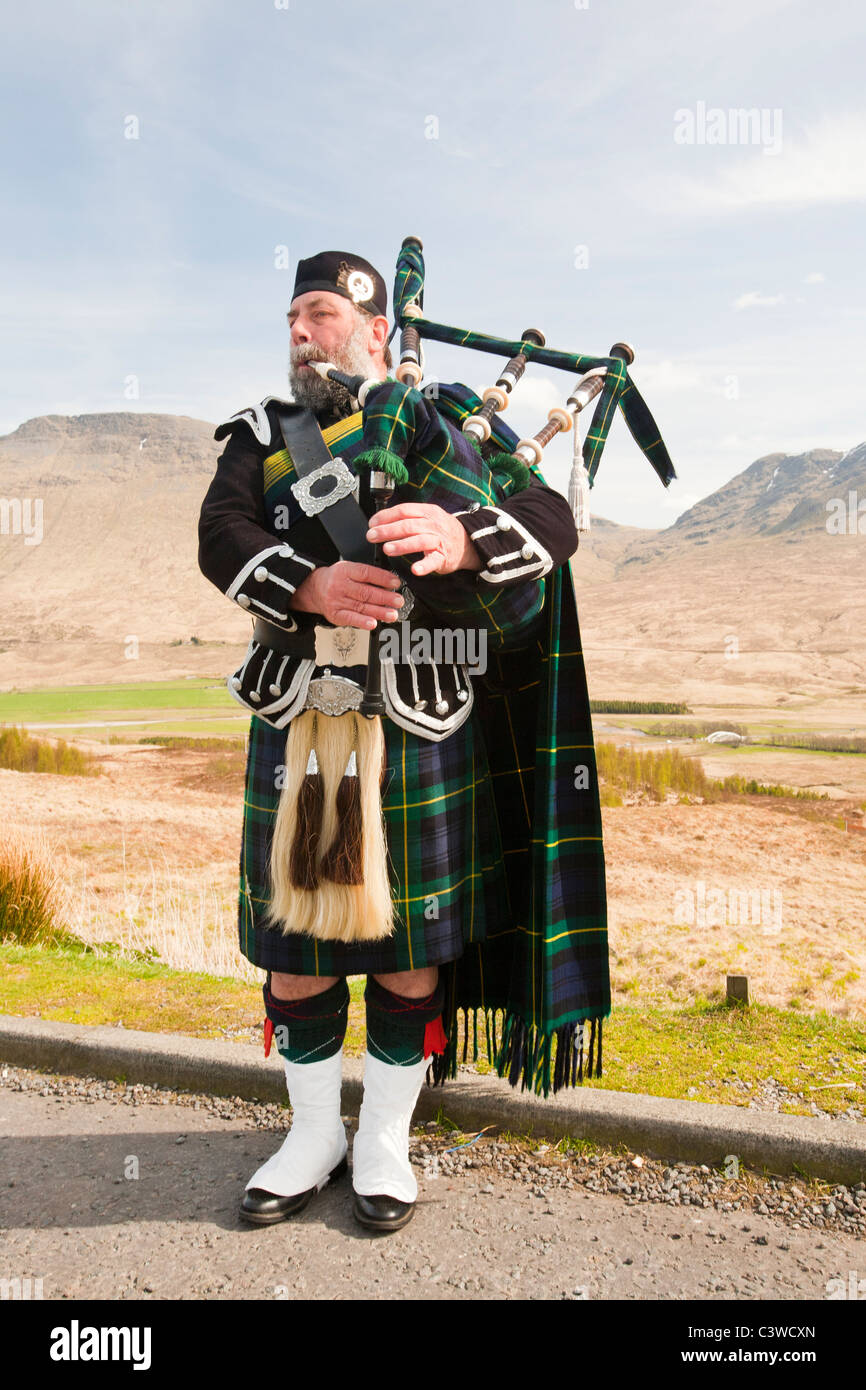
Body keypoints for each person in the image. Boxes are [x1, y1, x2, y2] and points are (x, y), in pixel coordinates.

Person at [197, 249, 607, 1234]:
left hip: (415, 717)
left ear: (377, 329)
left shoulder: (445, 418)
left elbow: (550, 515)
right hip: (300, 712)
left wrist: (466, 538)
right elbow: (220, 532)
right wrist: (308, 584)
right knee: (295, 947)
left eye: (320, 313)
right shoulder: (264, 433)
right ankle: (311, 1136)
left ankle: (383, 1138)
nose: (299, 332)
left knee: (405, 947)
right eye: (291, 317)